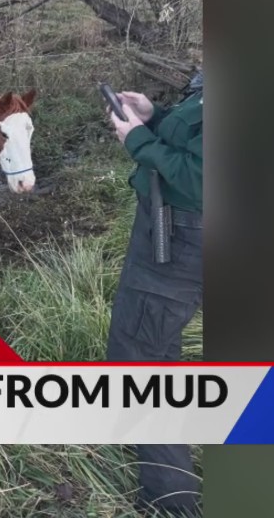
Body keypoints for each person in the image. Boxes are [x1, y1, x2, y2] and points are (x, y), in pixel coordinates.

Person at [105, 70, 204, 517]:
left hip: (184, 240)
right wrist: (156, 116)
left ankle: (171, 500)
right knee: (158, 343)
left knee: (138, 356)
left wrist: (141, 142)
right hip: (176, 231)